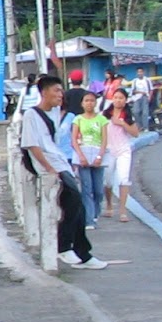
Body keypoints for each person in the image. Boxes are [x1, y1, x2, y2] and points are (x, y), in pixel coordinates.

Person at [20, 73, 106, 269]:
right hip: (50, 166)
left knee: (79, 207)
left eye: (61, 90)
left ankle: (83, 254)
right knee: (74, 200)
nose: (60, 94)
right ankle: (65, 247)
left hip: (60, 163)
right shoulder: (31, 114)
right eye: (56, 90)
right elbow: (32, 145)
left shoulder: (55, 113)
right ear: (44, 92)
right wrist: (50, 169)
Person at [71, 90, 108, 233]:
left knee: (98, 190)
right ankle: (89, 219)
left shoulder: (102, 120)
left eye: (92, 100)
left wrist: (100, 156)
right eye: (86, 100)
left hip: (97, 154)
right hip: (83, 155)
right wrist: (80, 156)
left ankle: (95, 212)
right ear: (82, 103)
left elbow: (104, 139)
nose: (89, 103)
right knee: (87, 189)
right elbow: (74, 139)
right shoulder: (78, 119)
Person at [103, 88, 141, 223]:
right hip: (108, 150)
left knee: (123, 179)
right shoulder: (105, 114)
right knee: (107, 180)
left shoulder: (128, 116)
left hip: (123, 150)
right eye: (116, 97)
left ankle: (123, 210)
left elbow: (135, 133)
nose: (118, 100)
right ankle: (108, 204)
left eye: (121, 98)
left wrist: (123, 123)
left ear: (125, 101)